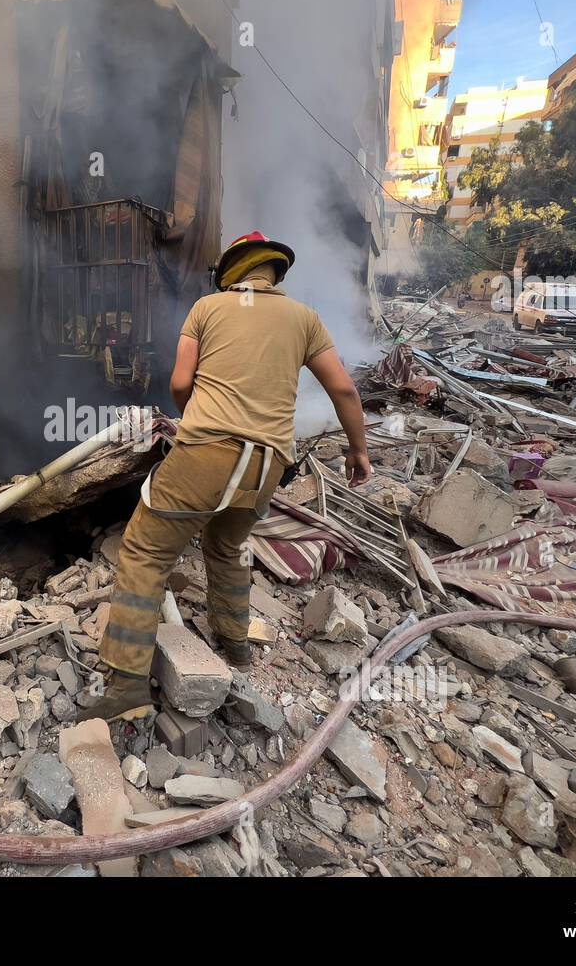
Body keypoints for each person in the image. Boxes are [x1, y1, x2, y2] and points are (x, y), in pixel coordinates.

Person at [79, 231, 372, 722]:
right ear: (274, 270)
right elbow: (343, 389)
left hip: (205, 454)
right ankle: (235, 644)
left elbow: (180, 382)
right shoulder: (305, 318)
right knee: (228, 545)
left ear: (231, 270)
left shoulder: (207, 308)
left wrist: (193, 415)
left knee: (146, 551)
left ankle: (126, 684)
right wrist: (359, 450)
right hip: (267, 464)